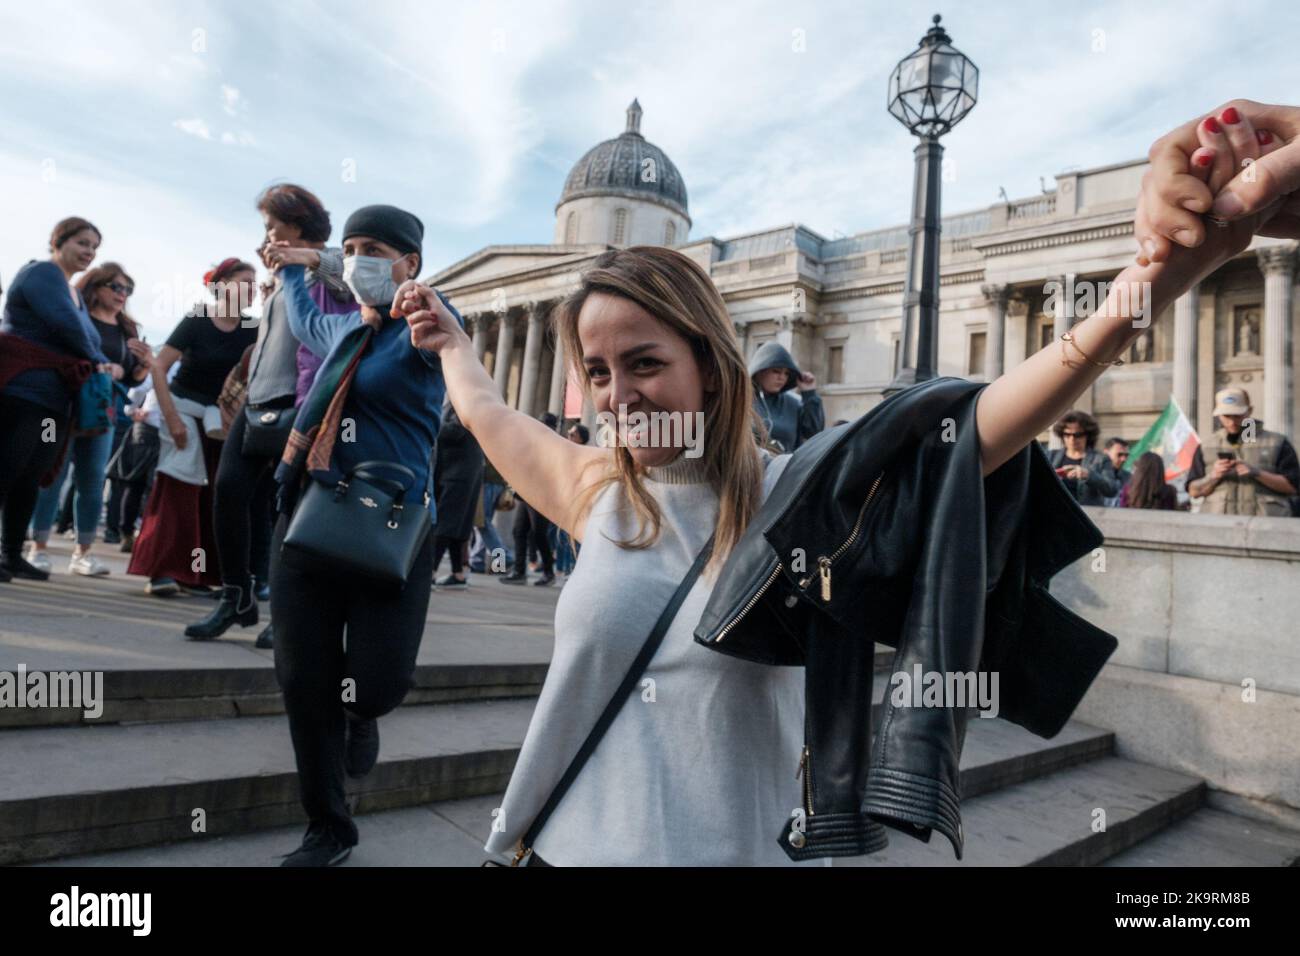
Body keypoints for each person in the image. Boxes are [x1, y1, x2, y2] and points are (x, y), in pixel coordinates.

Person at [263, 203, 458, 866]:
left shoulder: (423, 329)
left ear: (411, 263)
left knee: (373, 686)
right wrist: (293, 271)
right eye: (348, 247)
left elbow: (447, 319)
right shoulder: (346, 331)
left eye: (372, 247)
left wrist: (310, 256)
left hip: (393, 525)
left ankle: (361, 712)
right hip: (312, 513)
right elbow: (304, 314)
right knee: (302, 676)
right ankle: (329, 826)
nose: (356, 259)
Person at [185, 184, 354, 644]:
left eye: (270, 224)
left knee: (289, 512)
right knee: (228, 493)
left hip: (300, 403)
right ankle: (237, 595)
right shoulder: (282, 276)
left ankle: (287, 612)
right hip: (257, 399)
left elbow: (353, 272)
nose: (265, 235)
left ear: (295, 222)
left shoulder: (331, 264)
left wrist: (305, 260)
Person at [127, 259, 259, 596]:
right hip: (182, 409)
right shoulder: (197, 320)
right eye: (244, 281)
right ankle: (161, 571)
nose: (251, 289)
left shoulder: (254, 328)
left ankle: (197, 575)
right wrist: (171, 419)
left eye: (254, 283)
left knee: (212, 494)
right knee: (178, 489)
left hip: (221, 419)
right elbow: (159, 367)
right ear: (221, 285)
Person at [0, 217, 111, 583]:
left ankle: (11, 554)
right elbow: (70, 327)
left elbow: (87, 335)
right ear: (58, 241)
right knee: (8, 468)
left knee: (32, 475)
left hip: (54, 405)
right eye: (82, 242)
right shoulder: (42, 273)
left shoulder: (74, 291)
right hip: (23, 393)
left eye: (94, 246)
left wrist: (96, 356)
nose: (89, 252)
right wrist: (97, 360)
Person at [26, 263, 151, 576]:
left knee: (93, 479)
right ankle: (36, 546)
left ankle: (83, 553)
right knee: (50, 475)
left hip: (101, 411)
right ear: (96, 286)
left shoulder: (128, 329)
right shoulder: (74, 315)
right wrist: (100, 366)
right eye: (117, 286)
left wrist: (143, 366)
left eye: (128, 289)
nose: (123, 294)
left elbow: (134, 382)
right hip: (62, 407)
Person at [1185, 387, 1298, 516]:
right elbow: (1193, 491)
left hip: (1265, 526)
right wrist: (1213, 476)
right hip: (1219, 526)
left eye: (1237, 416)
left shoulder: (1277, 443)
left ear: (1249, 411)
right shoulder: (1206, 446)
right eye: (1226, 416)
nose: (1232, 422)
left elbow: (1293, 487)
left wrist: (1257, 473)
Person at [431, 399, 484, 590]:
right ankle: (458, 574)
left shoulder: (462, 402)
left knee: (445, 525)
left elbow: (451, 432)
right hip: (459, 474)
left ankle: (431, 571)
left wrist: (430, 418)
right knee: (457, 528)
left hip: (457, 476)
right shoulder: (459, 402)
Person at [502, 412, 557, 587]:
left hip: (542, 494)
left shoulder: (555, 445)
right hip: (527, 493)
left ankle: (548, 572)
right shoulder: (534, 441)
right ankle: (519, 571)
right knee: (519, 531)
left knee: (539, 534)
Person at [748, 340, 823, 452]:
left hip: (784, 468)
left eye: (786, 373)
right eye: (776, 371)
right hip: (748, 467)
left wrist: (809, 393)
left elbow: (814, 433)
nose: (782, 377)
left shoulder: (793, 403)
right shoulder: (742, 401)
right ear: (760, 371)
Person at [1047, 410, 1119, 506]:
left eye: (1078, 435)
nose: (1072, 439)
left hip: (1086, 513)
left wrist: (1088, 475)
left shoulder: (1101, 459)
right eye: (1067, 435)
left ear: (1088, 435)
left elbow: (1111, 489)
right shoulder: (1051, 455)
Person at [1101, 437, 1131, 506]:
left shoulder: (1129, 477)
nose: (1124, 459)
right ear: (1106, 452)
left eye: (1126, 455)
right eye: (1119, 455)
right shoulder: (1094, 475)